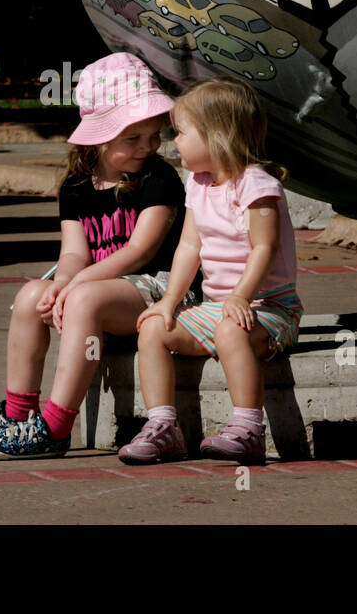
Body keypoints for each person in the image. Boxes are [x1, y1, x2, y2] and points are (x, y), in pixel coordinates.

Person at [0, 52, 195, 459]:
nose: (148, 147)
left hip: (162, 289)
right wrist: (63, 282)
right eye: (132, 138)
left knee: (83, 297)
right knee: (32, 294)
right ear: (101, 137)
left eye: (154, 135)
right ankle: (17, 417)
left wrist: (78, 286)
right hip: (103, 292)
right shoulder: (76, 186)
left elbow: (141, 251)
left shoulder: (160, 178)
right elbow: (72, 254)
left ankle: (55, 428)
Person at [118, 78, 301, 466]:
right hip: (220, 307)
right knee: (152, 327)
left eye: (181, 133)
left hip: (270, 307)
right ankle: (164, 427)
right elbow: (189, 247)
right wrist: (168, 302)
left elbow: (264, 248)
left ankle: (248, 427)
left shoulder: (256, 184)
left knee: (230, 329)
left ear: (216, 136)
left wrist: (241, 296)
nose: (173, 143)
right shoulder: (197, 183)